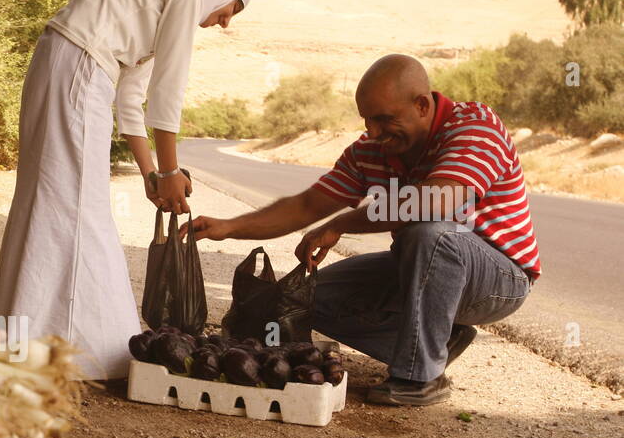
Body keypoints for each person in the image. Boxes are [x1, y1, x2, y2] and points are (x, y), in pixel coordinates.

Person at [191, 54, 539, 406]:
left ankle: (421, 378)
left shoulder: (475, 126)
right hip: (416, 265)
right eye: (367, 120)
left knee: (429, 233)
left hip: (498, 280)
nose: (373, 132)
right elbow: (308, 206)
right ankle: (439, 341)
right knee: (296, 300)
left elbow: (437, 202)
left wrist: (343, 223)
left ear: (422, 104)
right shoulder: (371, 150)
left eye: (384, 119)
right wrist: (229, 226)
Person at [0, 0, 255, 380]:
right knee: (77, 204)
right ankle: (76, 351)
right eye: (233, 8)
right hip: (78, 68)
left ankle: (29, 337)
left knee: (55, 197)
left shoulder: (160, 0)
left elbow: (131, 98)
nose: (226, 21)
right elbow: (169, 92)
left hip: (65, 63)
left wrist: (152, 173)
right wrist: (170, 172)